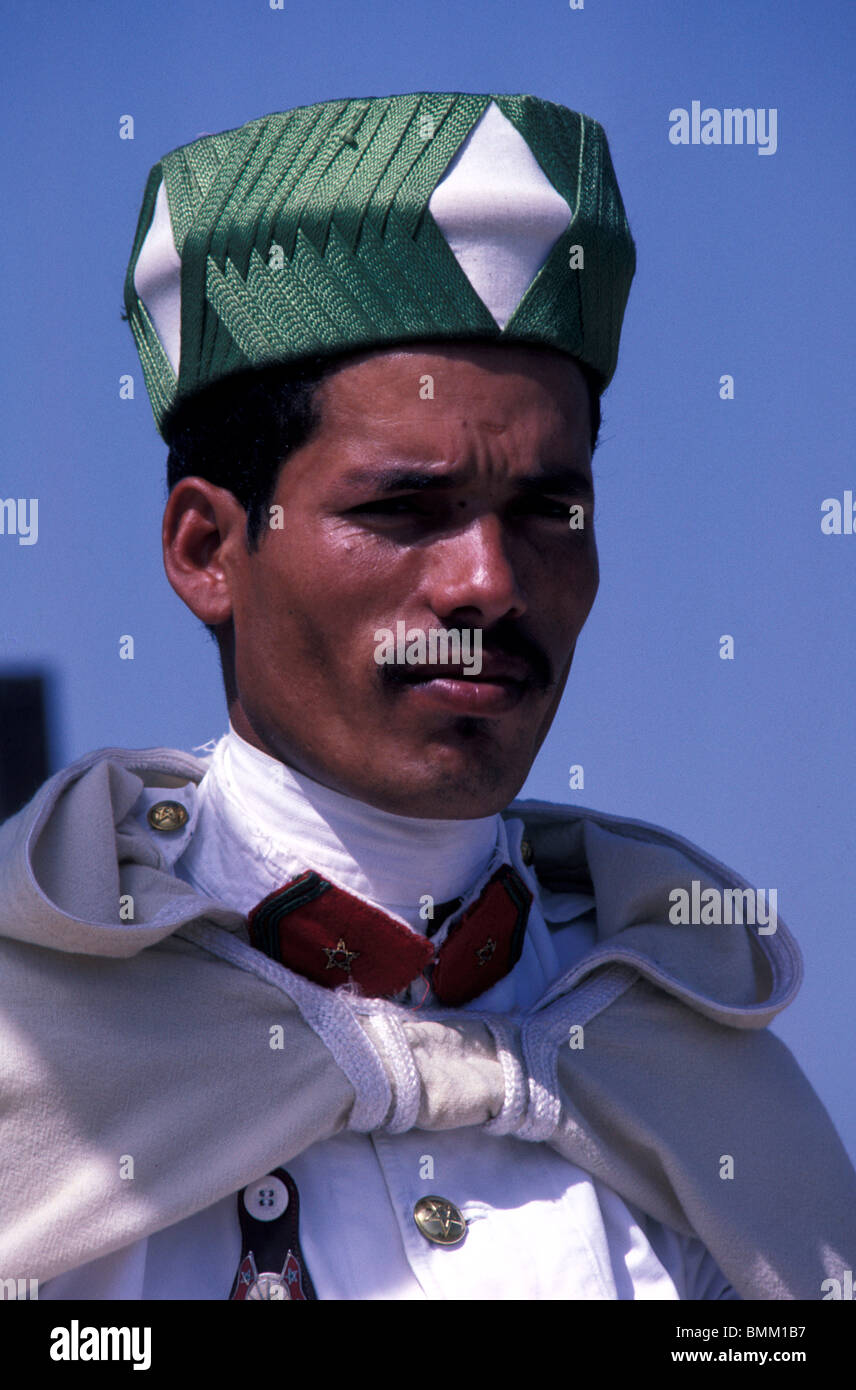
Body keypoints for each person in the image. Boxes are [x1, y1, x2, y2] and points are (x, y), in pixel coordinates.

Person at [1, 92, 854, 1302]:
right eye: (401, 511)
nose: (491, 582)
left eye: (548, 513)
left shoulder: (708, 1095)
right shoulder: (29, 1059)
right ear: (204, 550)